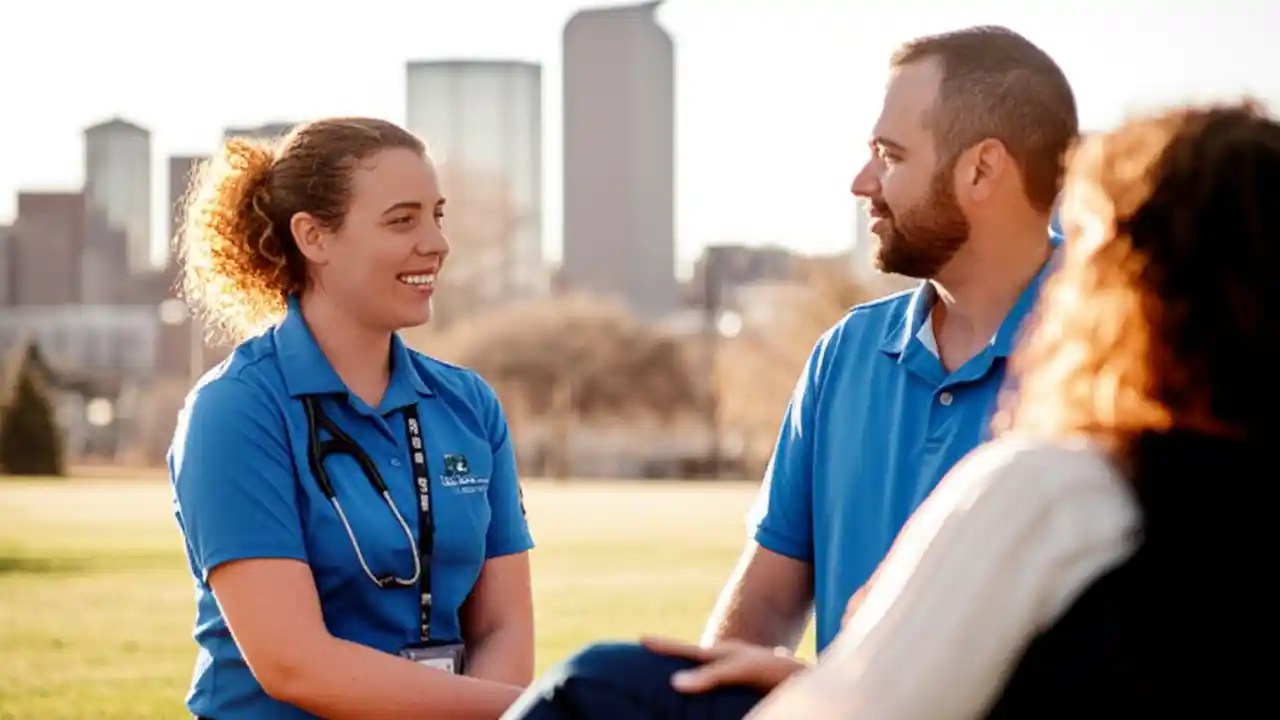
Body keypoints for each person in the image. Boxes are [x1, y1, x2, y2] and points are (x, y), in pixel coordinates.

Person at [501, 24, 1079, 719]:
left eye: (890, 156)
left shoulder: (1115, 368)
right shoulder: (847, 353)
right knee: (594, 688)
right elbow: (767, 601)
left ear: (982, 170)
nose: (862, 182)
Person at [747, 99, 1277, 719]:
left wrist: (804, 686)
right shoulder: (848, 352)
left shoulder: (1062, 489)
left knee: (617, 680)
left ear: (1125, 287)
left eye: (1086, 245)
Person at [169, 117, 535, 719]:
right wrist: (522, 711)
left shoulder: (471, 406)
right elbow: (295, 663)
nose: (437, 243)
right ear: (314, 237)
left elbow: (503, 629)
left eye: (436, 215)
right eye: (402, 219)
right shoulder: (234, 411)